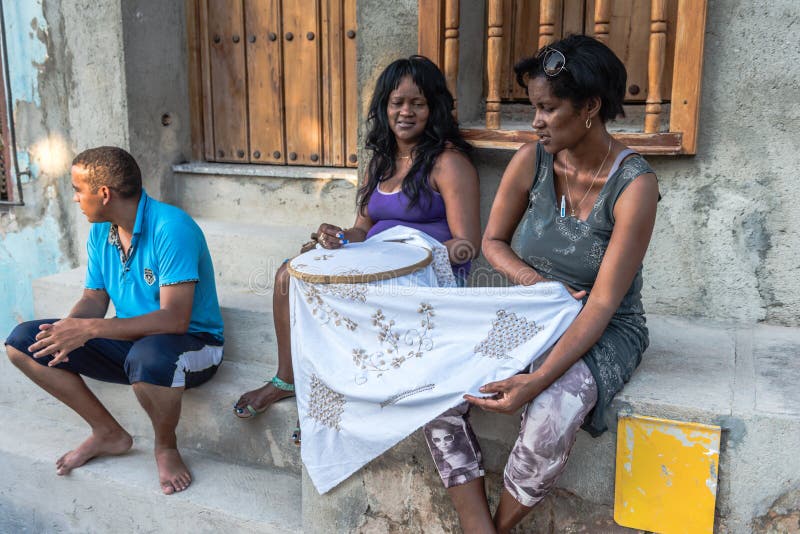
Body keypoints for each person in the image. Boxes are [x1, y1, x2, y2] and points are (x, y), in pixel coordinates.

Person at [422, 34, 660, 532]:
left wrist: (536, 379)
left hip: (605, 325)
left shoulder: (634, 186)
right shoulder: (531, 160)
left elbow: (599, 306)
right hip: (530, 310)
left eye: (548, 109)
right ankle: (477, 527)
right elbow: (493, 243)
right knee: (435, 383)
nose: (535, 121)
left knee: (552, 410)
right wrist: (537, 285)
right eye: (534, 107)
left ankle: (500, 526)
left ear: (590, 107)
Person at [233, 55, 481, 422]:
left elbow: (467, 246)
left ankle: (340, 393)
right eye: (397, 102)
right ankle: (287, 379)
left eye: (418, 103)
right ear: (384, 108)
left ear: (434, 109)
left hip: (424, 275)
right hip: (374, 263)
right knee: (289, 274)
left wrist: (404, 259)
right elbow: (361, 230)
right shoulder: (380, 163)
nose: (405, 112)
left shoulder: (448, 163)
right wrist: (335, 238)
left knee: (346, 290)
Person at [4, 146, 224, 495]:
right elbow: (94, 299)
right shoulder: (102, 231)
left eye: (78, 189)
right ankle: (108, 433)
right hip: (131, 339)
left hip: (193, 344)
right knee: (23, 343)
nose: (75, 198)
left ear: (103, 194)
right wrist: (66, 329)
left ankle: (165, 446)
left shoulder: (171, 227)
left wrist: (90, 329)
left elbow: (175, 319)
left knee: (148, 358)